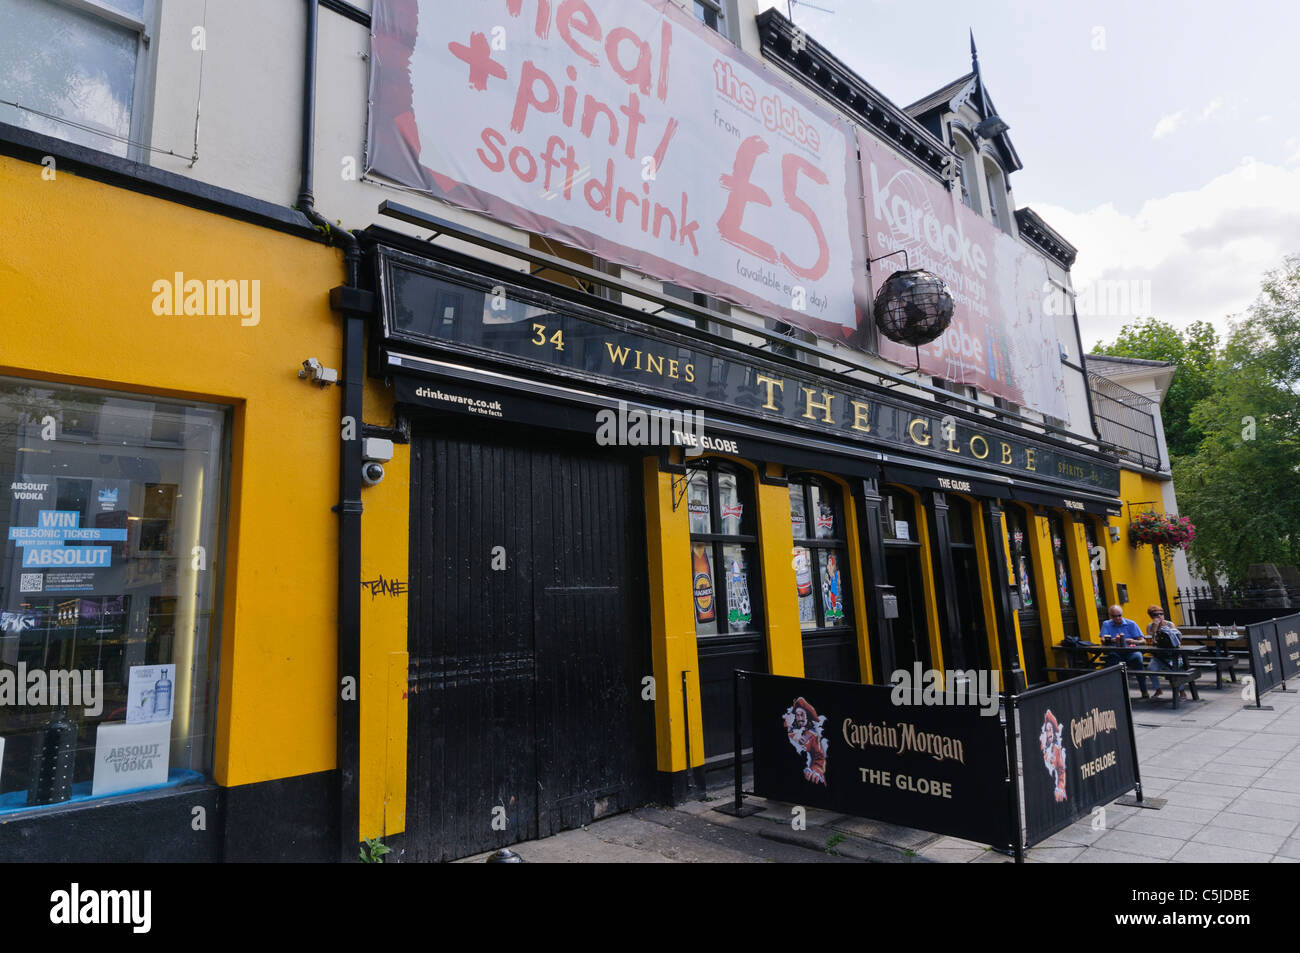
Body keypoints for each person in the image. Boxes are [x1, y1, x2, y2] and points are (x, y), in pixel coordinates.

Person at [1100, 604, 1156, 697]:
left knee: (1138, 659)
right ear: (1110, 616)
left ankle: (1144, 690)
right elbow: (1102, 639)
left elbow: (1143, 641)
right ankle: (1115, 692)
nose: (1118, 618)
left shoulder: (1131, 624)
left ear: (1122, 614)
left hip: (1131, 651)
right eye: (1114, 616)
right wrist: (1113, 640)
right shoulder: (1106, 624)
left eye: (1119, 615)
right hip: (1116, 652)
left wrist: (1133, 641)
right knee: (1111, 663)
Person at [1145, 606, 1186, 700]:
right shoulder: (1150, 626)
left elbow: (1174, 641)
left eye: (1161, 614)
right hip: (1158, 657)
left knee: (1173, 671)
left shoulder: (1170, 624)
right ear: (1151, 616)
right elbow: (1152, 643)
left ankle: (1182, 692)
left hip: (1173, 656)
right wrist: (1155, 629)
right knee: (1150, 669)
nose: (1159, 616)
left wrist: (1162, 628)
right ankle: (1158, 689)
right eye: (1156, 615)